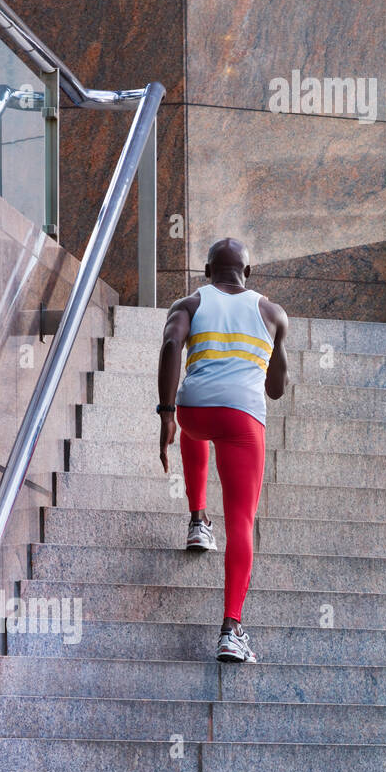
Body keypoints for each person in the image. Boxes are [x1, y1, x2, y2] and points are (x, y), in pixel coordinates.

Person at [157, 238, 288, 663]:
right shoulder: (272, 313)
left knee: (195, 428)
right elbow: (276, 389)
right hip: (242, 419)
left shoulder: (190, 303)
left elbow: (171, 346)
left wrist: (167, 414)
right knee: (241, 522)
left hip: (194, 410)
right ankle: (231, 630)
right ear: (247, 273)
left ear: (207, 271)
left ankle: (198, 520)